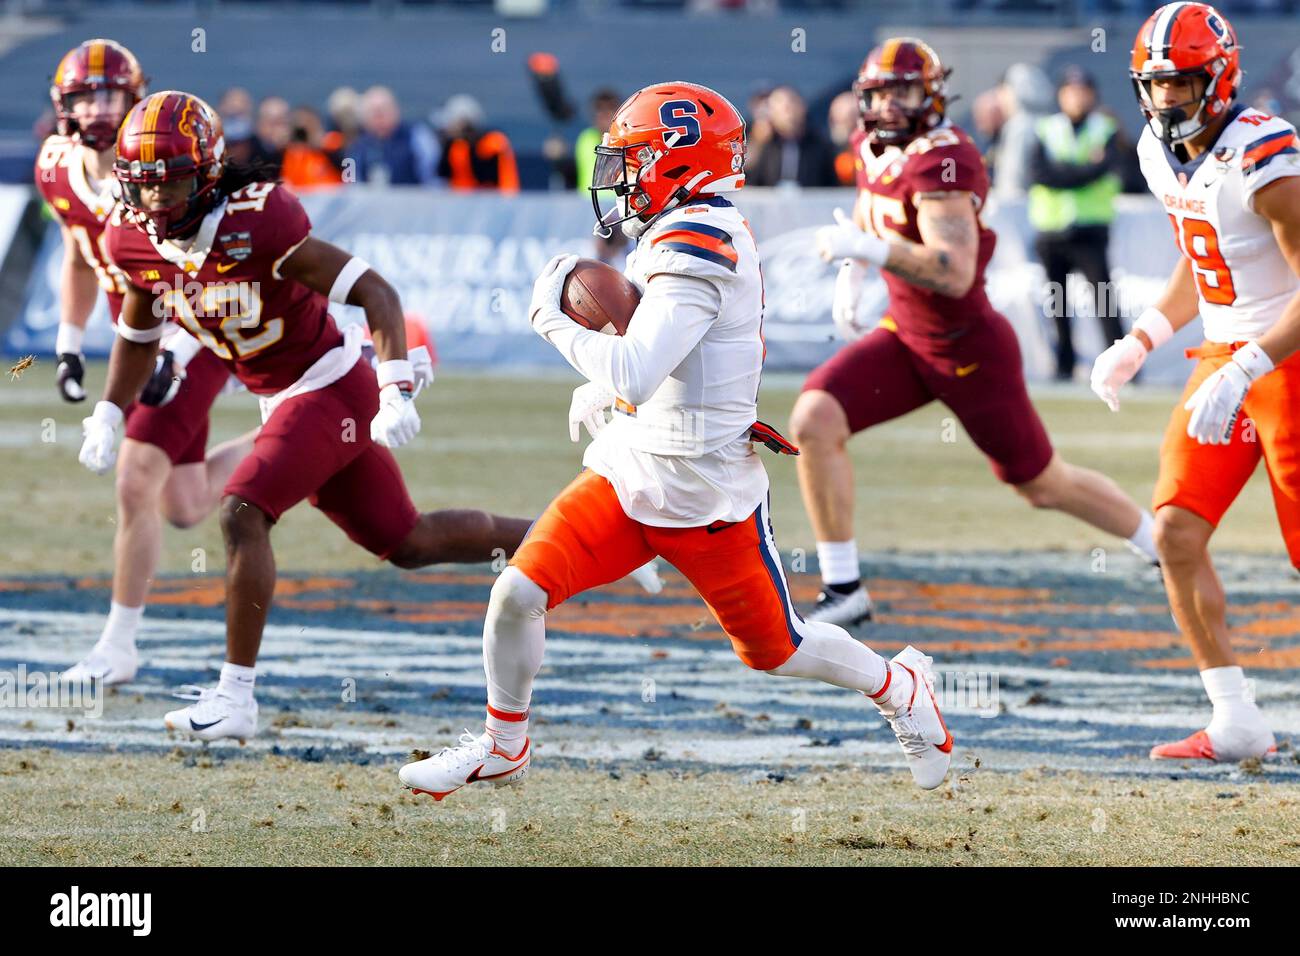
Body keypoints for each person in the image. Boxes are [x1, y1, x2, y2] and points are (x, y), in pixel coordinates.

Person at [399, 82, 954, 801]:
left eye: (633, 161)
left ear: (677, 162)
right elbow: (659, 359)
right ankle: (504, 746)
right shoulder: (682, 224)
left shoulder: (697, 243)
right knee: (517, 593)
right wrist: (610, 390)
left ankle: (898, 683)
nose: (620, 179)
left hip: (707, 486)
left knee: (776, 651)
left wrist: (551, 322)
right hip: (633, 467)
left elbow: (636, 361)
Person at [80, 91, 533, 739]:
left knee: (242, 510)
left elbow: (376, 290)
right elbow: (139, 331)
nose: (156, 202)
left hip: (332, 384)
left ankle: (236, 697)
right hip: (284, 398)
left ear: (207, 173)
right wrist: (108, 411)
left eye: (172, 182)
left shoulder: (258, 220)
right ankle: (567, 541)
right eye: (143, 185)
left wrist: (396, 384)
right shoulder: (131, 237)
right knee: (409, 541)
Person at [791, 38, 1158, 627]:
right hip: (905, 334)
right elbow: (870, 207)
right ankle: (844, 587)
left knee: (1042, 484)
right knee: (814, 419)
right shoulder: (871, 144)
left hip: (967, 349)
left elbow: (954, 271)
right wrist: (855, 271)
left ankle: (1156, 540)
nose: (887, 107)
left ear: (932, 94)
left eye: (902, 92)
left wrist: (870, 250)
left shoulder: (944, 158)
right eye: (878, 94)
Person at [1090, 3, 1300, 762]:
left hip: (1288, 361)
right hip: (1222, 357)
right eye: (1153, 85)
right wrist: (1140, 338)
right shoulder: (1156, 149)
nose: (1164, 100)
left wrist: (1251, 363)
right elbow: (1203, 253)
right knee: (1176, 532)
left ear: (1219, 77)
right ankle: (1236, 716)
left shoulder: (1267, 159)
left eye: (1179, 83)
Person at [39, 42, 258, 686]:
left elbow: (203, 270)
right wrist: (69, 341)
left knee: (134, 478)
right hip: (137, 337)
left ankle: (118, 644)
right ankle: (298, 431)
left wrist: (178, 350)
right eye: (88, 98)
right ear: (65, 108)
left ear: (136, 99)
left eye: (112, 95)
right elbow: (79, 254)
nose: (101, 109)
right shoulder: (55, 167)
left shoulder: (163, 166)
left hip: (194, 331)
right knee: (184, 502)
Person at [1029, 66, 1124, 380]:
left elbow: (1105, 169)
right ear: (1060, 95)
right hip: (1052, 230)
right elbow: (1040, 174)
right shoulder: (1046, 129)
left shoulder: (1104, 128)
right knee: (1057, 300)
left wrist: (1066, 173)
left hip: (1089, 229)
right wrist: (1081, 172)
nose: (1077, 98)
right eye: (1071, 91)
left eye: (1082, 91)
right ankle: (1065, 363)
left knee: (1103, 299)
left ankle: (1121, 361)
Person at [744, 85, 838, 187]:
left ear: (803, 107)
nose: (788, 112)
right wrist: (757, 142)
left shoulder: (818, 143)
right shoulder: (761, 140)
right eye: (781, 107)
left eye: (792, 105)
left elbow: (830, 183)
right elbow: (745, 173)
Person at [436, 94, 519, 193]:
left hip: (498, 203)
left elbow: (484, 175)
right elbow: (442, 175)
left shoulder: (493, 143)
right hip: (463, 203)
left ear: (464, 123)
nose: (446, 127)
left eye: (451, 122)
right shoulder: (457, 147)